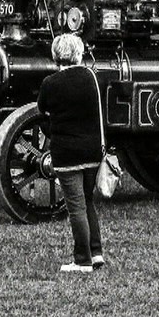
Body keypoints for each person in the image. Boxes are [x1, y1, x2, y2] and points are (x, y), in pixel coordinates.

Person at [37, 32, 105, 274]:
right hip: (92, 151)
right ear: (78, 53)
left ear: (56, 55)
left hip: (66, 153)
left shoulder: (50, 83)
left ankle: (82, 260)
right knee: (87, 202)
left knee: (76, 207)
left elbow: (42, 111)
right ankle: (96, 253)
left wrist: (52, 131)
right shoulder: (91, 77)